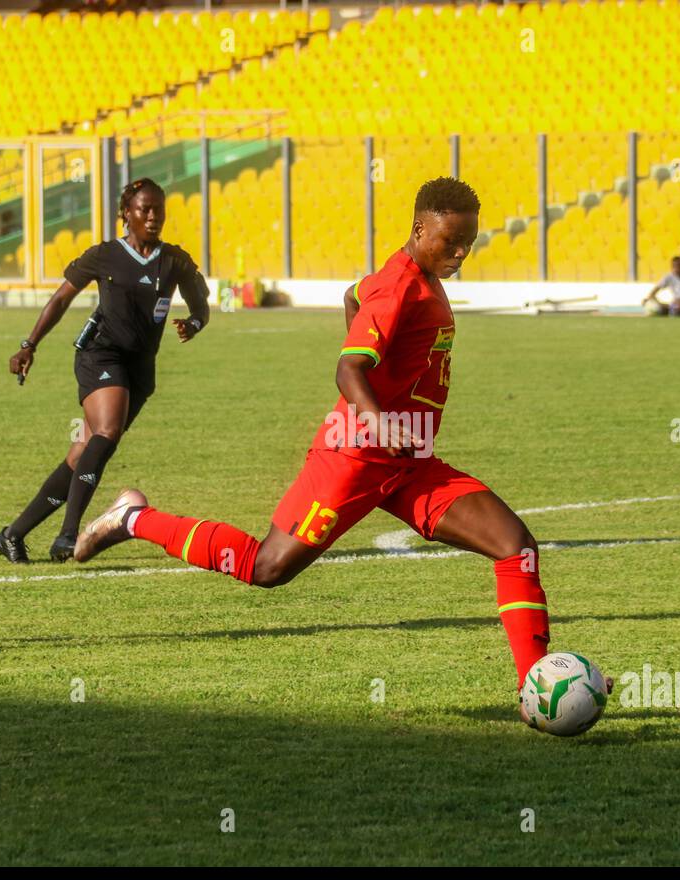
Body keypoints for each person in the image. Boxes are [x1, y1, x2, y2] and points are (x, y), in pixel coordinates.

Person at [74, 178, 565, 710]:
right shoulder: (400, 286)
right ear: (420, 229)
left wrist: (391, 417)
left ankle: (536, 687)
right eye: (451, 241)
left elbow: (352, 294)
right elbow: (349, 367)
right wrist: (378, 420)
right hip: (354, 455)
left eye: (468, 241)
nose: (461, 252)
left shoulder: (409, 277)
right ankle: (132, 518)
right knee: (267, 568)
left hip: (408, 463)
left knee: (515, 546)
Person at [0, 177, 210, 563]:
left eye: (158, 209)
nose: (152, 216)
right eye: (143, 208)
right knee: (106, 433)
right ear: (126, 214)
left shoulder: (174, 260)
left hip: (141, 371)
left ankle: (13, 534)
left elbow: (201, 307)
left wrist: (193, 324)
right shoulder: (106, 255)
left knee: (84, 454)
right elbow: (62, 299)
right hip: (100, 356)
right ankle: (68, 536)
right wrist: (29, 344)